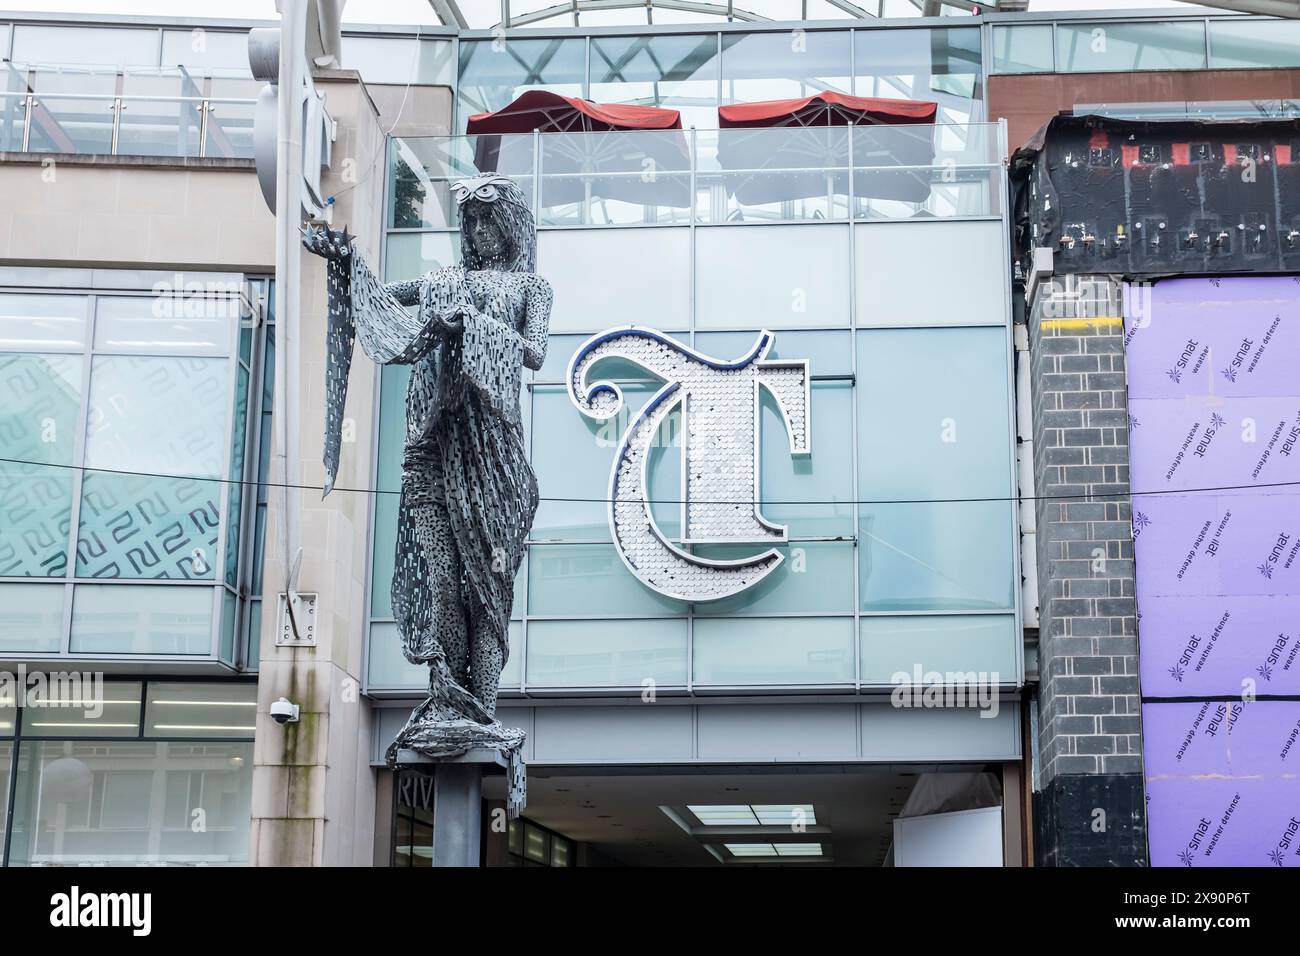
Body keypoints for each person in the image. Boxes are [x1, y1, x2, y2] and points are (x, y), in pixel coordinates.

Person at [304, 174, 551, 764]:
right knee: (443, 584)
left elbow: (535, 350)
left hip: (492, 456)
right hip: (432, 447)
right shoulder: (444, 281)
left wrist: (473, 324)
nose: (478, 232)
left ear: (510, 226)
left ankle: (481, 709)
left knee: (486, 592)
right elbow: (384, 300)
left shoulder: (530, 286)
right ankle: (448, 702)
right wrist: (347, 261)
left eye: (488, 221)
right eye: (469, 223)